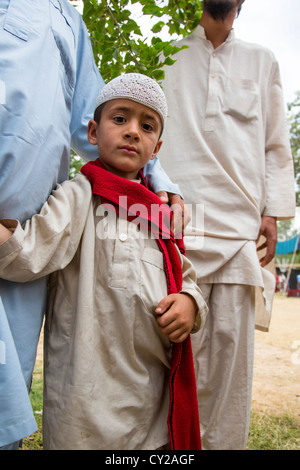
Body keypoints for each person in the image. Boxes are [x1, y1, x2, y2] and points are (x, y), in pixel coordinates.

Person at [0, 0, 185, 449]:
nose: (131, 132)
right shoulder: (80, 195)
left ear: (157, 147)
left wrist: (191, 303)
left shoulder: (64, 16)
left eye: (146, 126)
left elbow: (183, 270)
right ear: (95, 129)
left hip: (145, 401)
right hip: (83, 402)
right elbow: (32, 249)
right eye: (120, 120)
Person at [158, 0, 296, 449]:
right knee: (169, 370)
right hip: (176, 233)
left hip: (240, 237)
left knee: (229, 380)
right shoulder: (164, 53)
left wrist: (273, 212)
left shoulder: (262, 60)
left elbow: (275, 143)